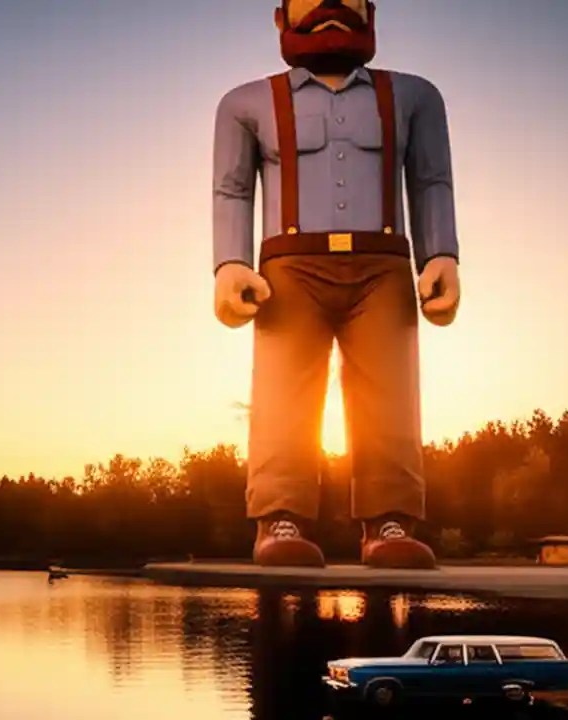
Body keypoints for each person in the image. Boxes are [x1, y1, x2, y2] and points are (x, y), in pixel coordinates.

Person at [211, 0, 461, 569]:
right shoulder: (246, 103)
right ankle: (280, 518)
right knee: (282, 391)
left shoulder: (415, 97)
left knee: (390, 391)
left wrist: (441, 254)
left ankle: (390, 520)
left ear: (371, 10)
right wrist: (229, 263)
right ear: (281, 16)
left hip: (383, 265)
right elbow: (231, 190)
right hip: (287, 269)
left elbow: (431, 181)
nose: (329, 7)